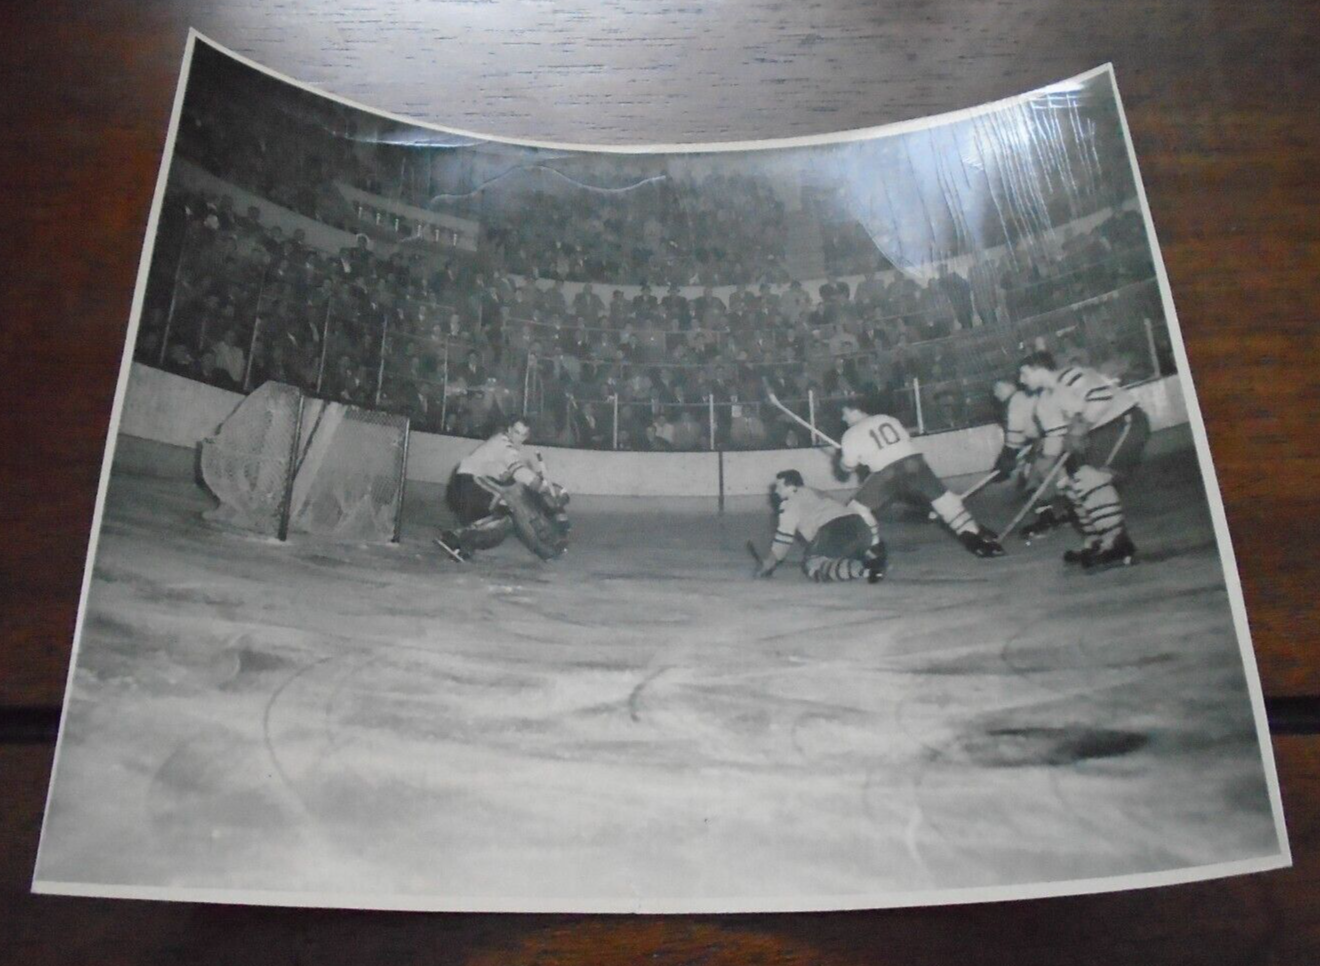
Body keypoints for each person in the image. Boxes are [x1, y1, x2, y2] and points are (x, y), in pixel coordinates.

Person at [1017, 350, 1150, 568]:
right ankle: (1096, 540)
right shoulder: (1043, 402)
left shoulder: (1070, 376)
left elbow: (1101, 397)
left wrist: (1079, 428)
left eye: (1024, 374)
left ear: (1038, 368)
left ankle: (1117, 542)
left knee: (1090, 479)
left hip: (1122, 422)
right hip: (1096, 433)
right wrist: (1045, 471)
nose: (1021, 380)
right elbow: (1055, 437)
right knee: (1071, 486)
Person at [838, 399, 1004, 558]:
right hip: (915, 463)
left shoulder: (850, 434)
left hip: (887, 473)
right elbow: (904, 441)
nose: (843, 418)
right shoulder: (886, 418)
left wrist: (844, 463)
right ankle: (977, 541)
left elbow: (848, 466)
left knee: (857, 508)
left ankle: (875, 549)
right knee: (945, 502)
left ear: (854, 410)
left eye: (844, 413)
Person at [439, 416, 569, 560]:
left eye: (523, 434)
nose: (519, 438)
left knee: (506, 521)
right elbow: (519, 473)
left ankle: (461, 540)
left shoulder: (503, 447)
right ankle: (547, 543)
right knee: (514, 502)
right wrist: (545, 488)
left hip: (468, 488)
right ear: (509, 430)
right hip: (468, 483)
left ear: (528, 435)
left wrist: (540, 485)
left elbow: (511, 478)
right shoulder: (503, 444)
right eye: (516, 432)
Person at [757, 470, 887, 583]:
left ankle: (866, 571)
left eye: (779, 487)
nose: (776, 491)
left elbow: (783, 539)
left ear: (791, 487)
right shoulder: (816, 492)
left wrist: (769, 563)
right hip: (861, 528)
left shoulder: (790, 502)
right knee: (838, 556)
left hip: (834, 531)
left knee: (813, 566)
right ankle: (871, 558)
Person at [989, 378, 1070, 540]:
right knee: (1051, 478)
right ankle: (1065, 514)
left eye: (997, 388)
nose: (995, 393)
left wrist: (1005, 461)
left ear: (1007, 386)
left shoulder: (1015, 402)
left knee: (1038, 478)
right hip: (1050, 437)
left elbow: (1014, 438)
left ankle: (1049, 520)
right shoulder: (1021, 398)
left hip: (1053, 438)